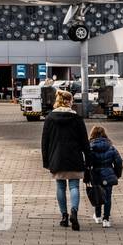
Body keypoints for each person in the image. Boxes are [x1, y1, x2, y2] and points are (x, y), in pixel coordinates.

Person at [41, 89, 88, 231]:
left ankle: (64, 216)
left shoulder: (50, 118)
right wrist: (89, 159)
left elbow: (45, 142)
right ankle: (74, 211)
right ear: (69, 102)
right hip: (74, 157)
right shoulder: (77, 119)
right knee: (74, 186)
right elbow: (85, 142)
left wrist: (46, 161)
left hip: (57, 157)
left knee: (60, 187)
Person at [87, 125, 123, 228]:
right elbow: (119, 161)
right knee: (107, 197)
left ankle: (98, 216)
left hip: (96, 173)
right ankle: (106, 219)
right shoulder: (111, 147)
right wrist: (117, 173)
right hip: (108, 172)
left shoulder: (91, 147)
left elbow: (88, 162)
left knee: (97, 194)